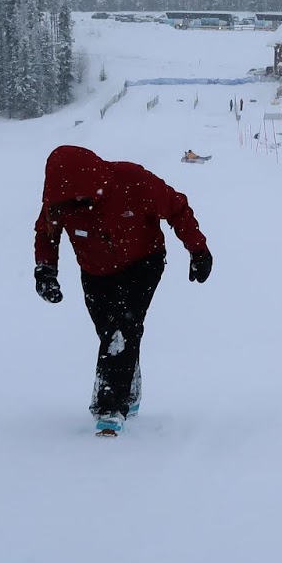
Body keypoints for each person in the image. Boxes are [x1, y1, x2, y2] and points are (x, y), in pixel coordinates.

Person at [33, 145, 211, 437]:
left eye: (82, 193)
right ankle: (128, 385)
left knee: (122, 330)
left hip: (143, 263)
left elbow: (177, 207)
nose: (77, 200)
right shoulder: (59, 202)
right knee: (109, 333)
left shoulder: (132, 180)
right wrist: (45, 272)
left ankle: (109, 408)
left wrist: (198, 250)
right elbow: (47, 234)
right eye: (70, 197)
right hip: (94, 272)